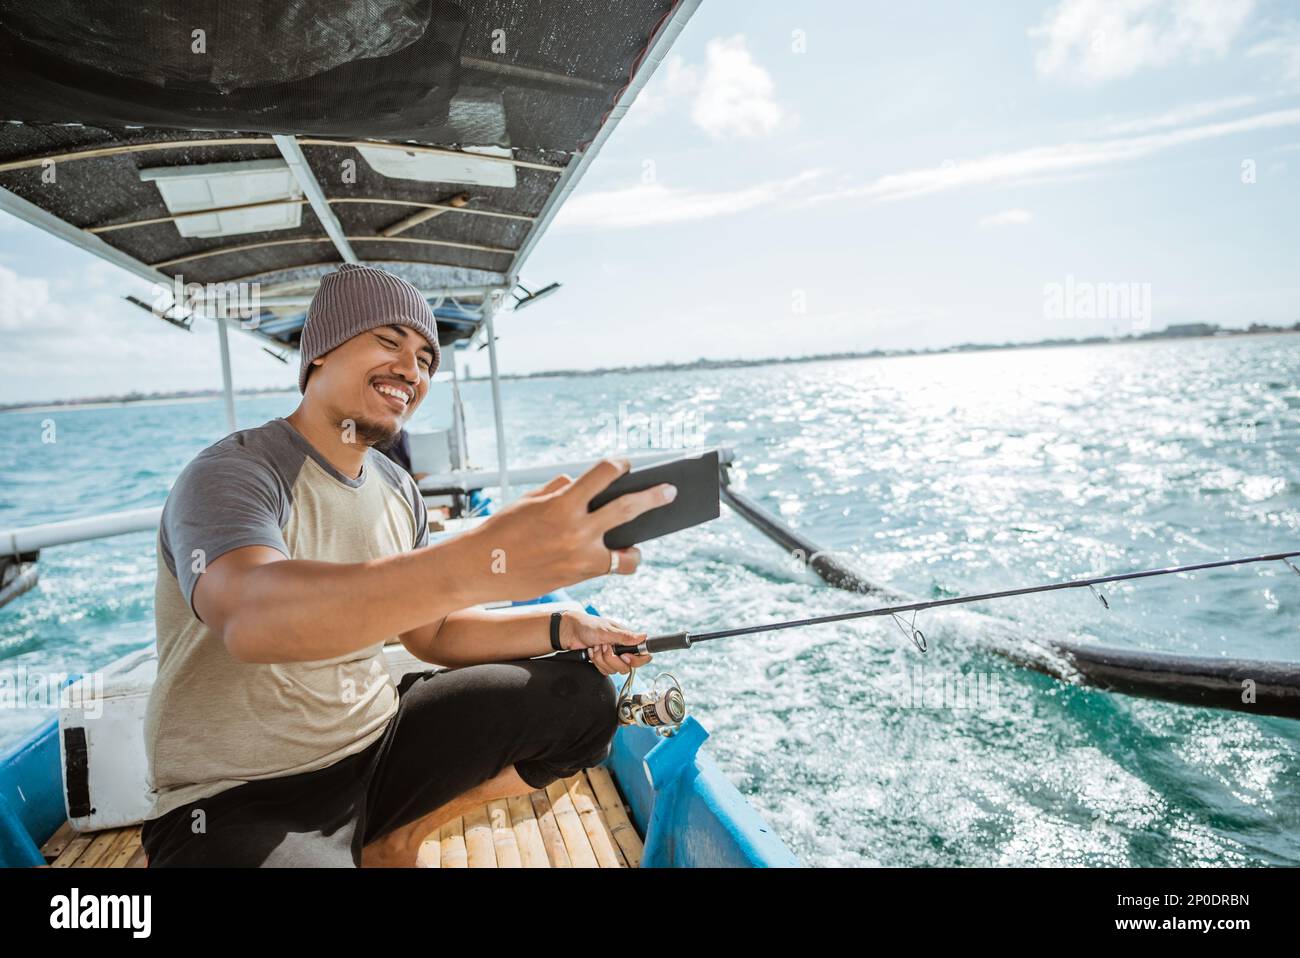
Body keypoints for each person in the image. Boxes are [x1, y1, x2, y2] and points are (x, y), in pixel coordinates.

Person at [139, 263, 672, 867]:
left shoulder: (397, 487)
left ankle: (397, 836)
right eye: (388, 342)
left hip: (376, 747)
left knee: (584, 701)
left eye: (424, 359)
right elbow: (251, 618)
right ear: (319, 354)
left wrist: (563, 624)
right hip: (238, 795)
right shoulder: (233, 473)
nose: (410, 371)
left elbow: (433, 634)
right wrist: (479, 563)